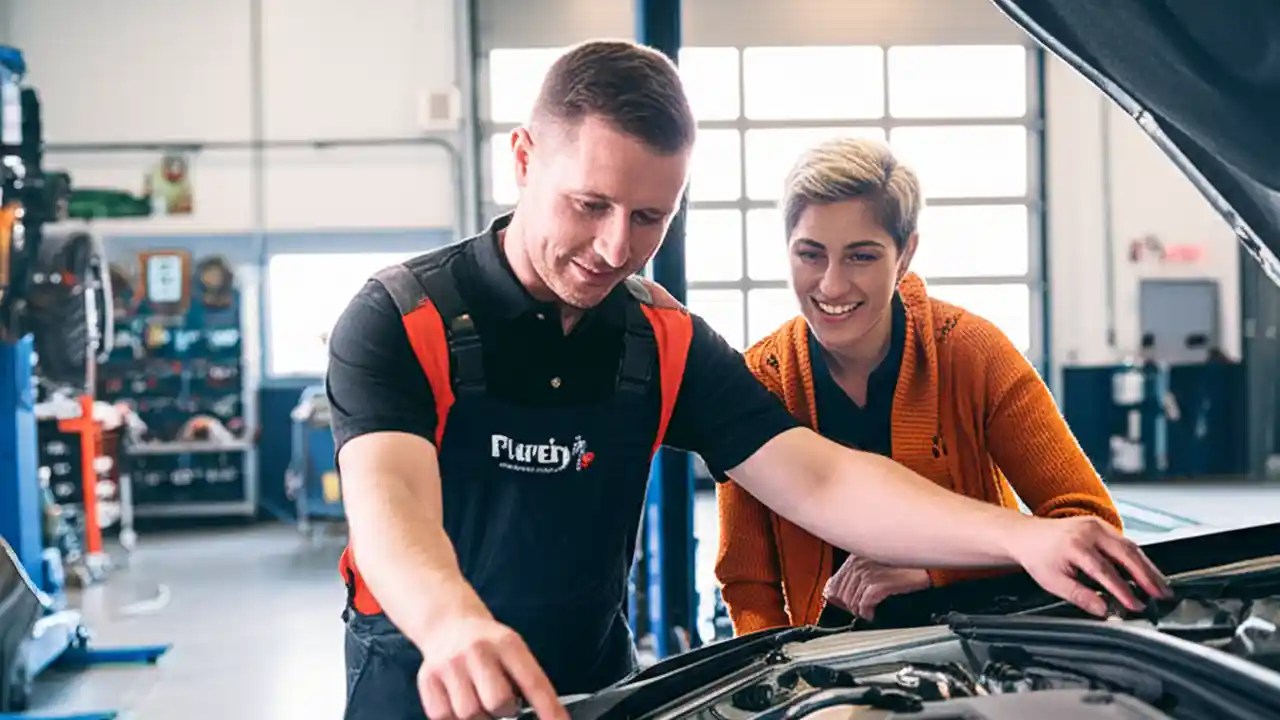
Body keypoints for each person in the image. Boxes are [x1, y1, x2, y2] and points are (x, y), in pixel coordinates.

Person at [326, 40, 1170, 720]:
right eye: (590, 204)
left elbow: (820, 476)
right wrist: (452, 622)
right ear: (522, 157)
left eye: (651, 217)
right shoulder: (403, 320)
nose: (617, 248)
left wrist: (1022, 538)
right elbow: (390, 508)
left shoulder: (662, 339)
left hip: (594, 687)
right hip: (424, 679)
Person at [714, 137, 1131, 634]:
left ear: (905, 253)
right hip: (830, 667)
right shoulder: (760, 380)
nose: (831, 285)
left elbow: (1087, 522)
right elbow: (749, 585)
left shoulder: (972, 352)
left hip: (978, 641)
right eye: (810, 254)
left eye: (861, 257)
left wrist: (935, 569)